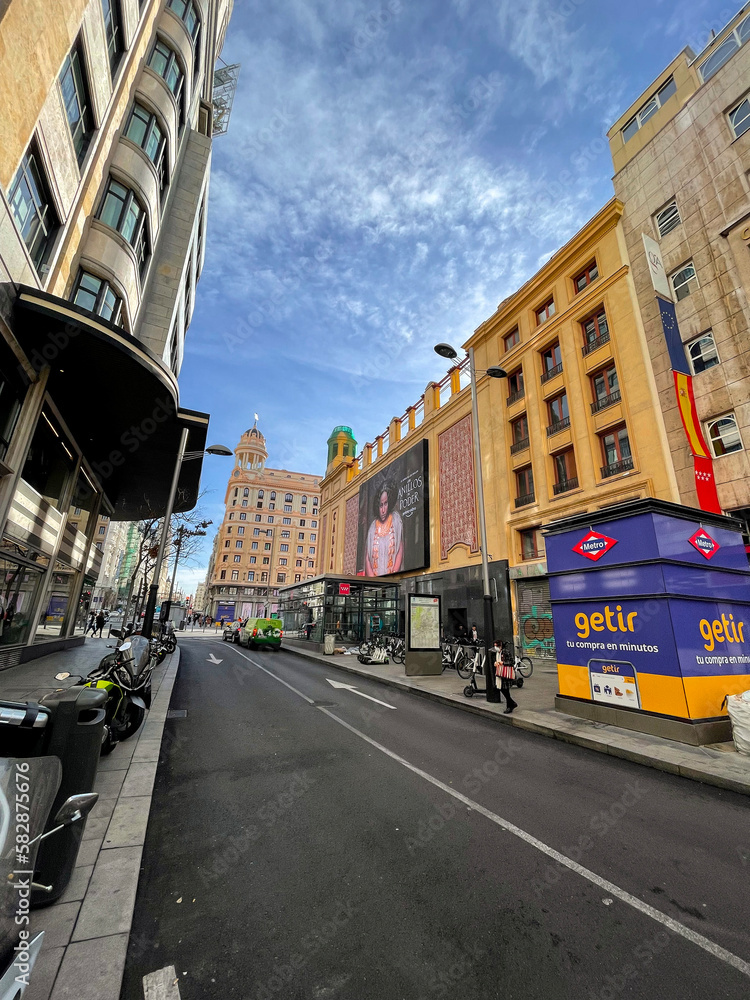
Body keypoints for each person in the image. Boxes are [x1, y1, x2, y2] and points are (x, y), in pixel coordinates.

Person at [365, 484, 404, 576]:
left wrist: (392, 575)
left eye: (385, 504)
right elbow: (367, 558)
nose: (383, 510)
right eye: (380, 505)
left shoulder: (396, 520)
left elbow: (400, 550)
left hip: (393, 581)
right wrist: (374, 581)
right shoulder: (372, 528)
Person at [493, 639, 518, 715]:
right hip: (500, 673)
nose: (495, 647)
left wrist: (503, 663)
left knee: (505, 690)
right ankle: (511, 704)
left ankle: (510, 706)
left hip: (506, 674)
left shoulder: (505, 651)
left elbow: (512, 661)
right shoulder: (498, 652)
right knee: (503, 689)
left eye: (496, 645)